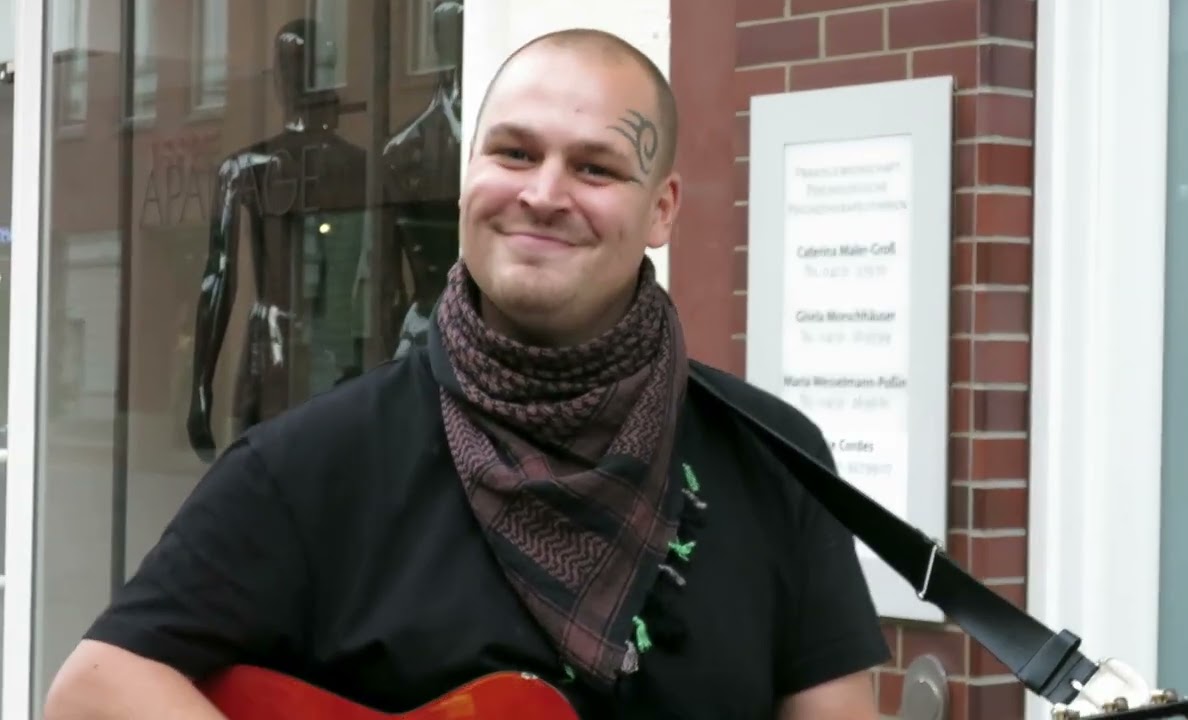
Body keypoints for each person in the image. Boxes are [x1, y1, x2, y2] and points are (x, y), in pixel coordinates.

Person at [43, 28, 889, 720]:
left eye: (595, 167)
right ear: (466, 180)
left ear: (661, 208)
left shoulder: (774, 457)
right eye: (514, 154)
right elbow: (93, 690)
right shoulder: (314, 464)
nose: (543, 193)